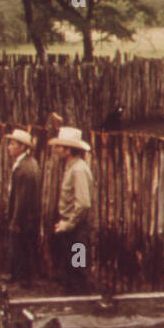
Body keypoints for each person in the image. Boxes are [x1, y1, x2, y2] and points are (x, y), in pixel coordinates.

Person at [48, 126, 93, 294]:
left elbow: (84, 203)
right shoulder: (70, 167)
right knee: (70, 267)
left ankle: (83, 304)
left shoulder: (79, 169)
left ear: (68, 150)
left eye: (60, 147)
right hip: (71, 228)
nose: (56, 150)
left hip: (77, 230)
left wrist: (69, 223)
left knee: (79, 268)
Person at [5, 129, 40, 288]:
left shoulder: (25, 168)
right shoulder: (25, 163)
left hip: (25, 216)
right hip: (27, 215)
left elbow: (22, 197)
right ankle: (16, 275)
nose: (9, 147)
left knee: (23, 247)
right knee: (19, 246)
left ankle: (24, 280)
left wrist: (16, 219)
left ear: (21, 147)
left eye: (12, 144)